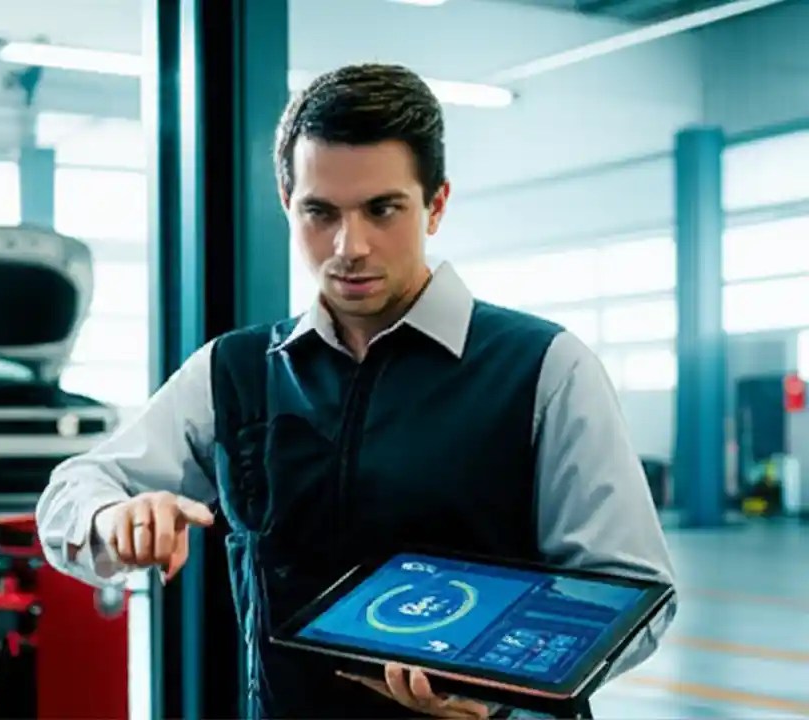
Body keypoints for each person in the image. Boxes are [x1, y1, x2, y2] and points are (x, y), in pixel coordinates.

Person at [37, 63, 676, 719]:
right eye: (320, 212)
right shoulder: (234, 370)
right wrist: (109, 519)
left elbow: (630, 593)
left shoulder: (545, 368)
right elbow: (74, 490)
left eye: (383, 209)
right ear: (288, 203)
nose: (351, 247)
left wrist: (499, 696)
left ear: (437, 203)